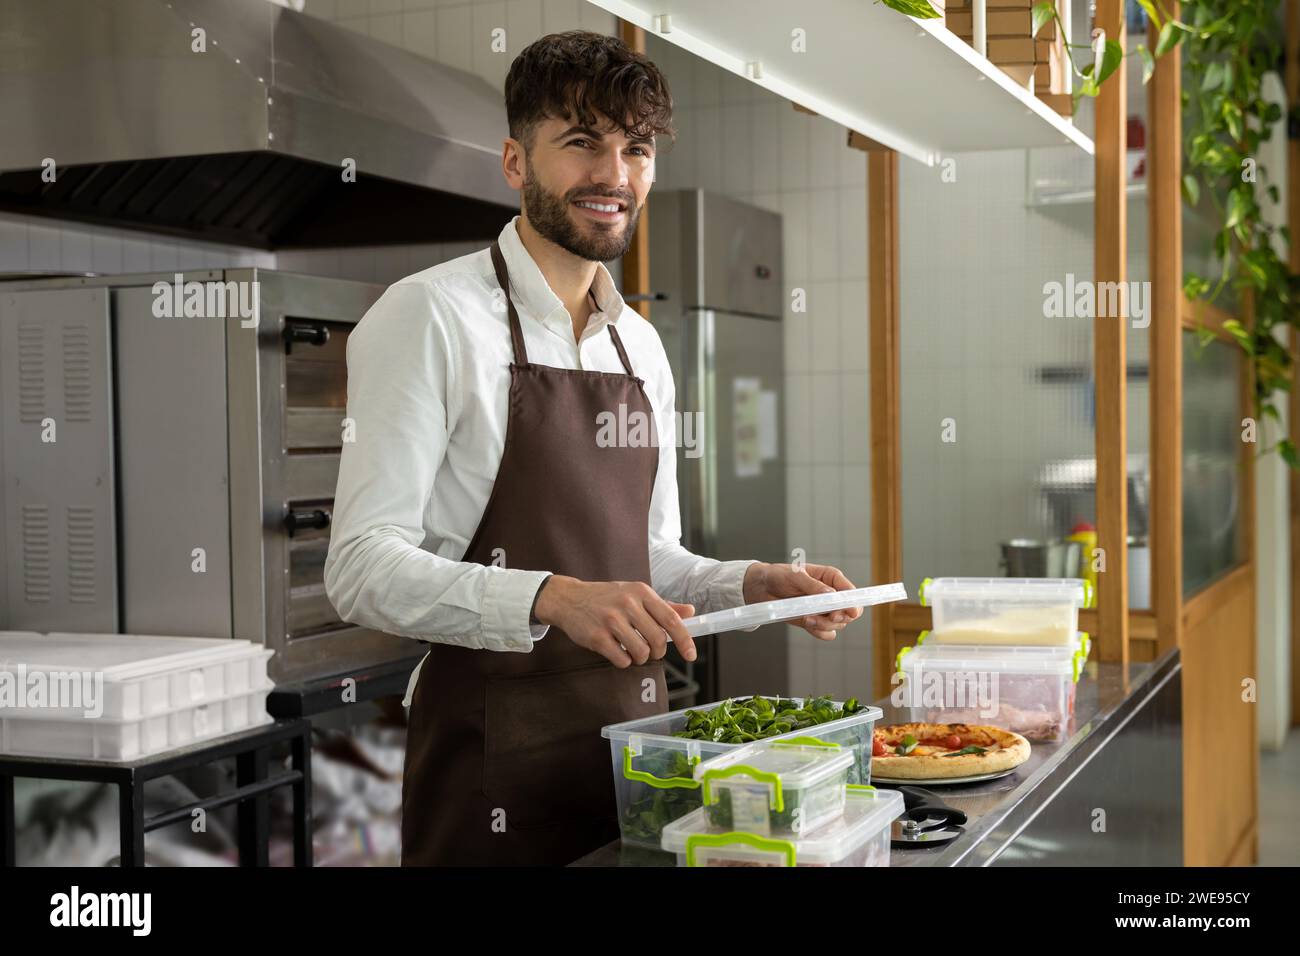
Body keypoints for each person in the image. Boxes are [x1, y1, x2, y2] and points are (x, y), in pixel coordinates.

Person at [324, 30, 862, 866]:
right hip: (487, 764)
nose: (613, 175)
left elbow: (646, 557)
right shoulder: (428, 316)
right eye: (581, 143)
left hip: (636, 757)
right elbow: (359, 566)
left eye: (635, 148)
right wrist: (551, 596)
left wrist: (748, 582)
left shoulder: (639, 347)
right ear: (514, 161)